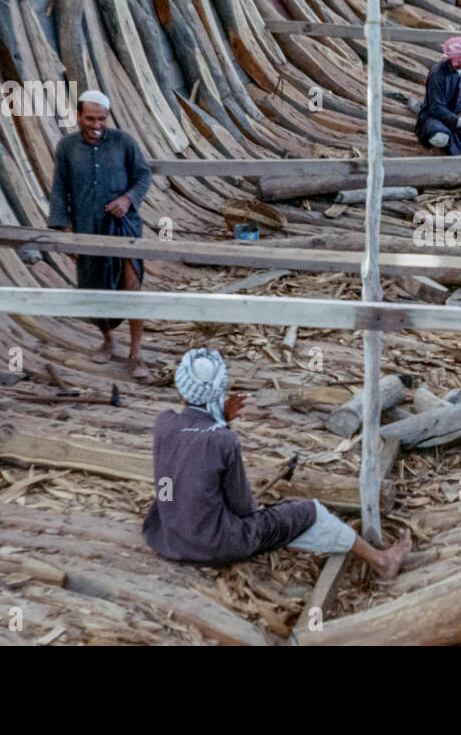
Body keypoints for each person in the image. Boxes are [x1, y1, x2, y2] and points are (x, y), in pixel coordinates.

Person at [142, 349, 412, 578]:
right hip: (216, 544)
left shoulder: (163, 424)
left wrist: (220, 421)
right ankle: (381, 561)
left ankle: (368, 555)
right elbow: (244, 507)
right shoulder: (224, 441)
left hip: (168, 536)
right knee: (309, 511)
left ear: (182, 388)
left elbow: (174, 477)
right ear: (218, 389)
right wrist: (222, 426)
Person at [47, 90, 153, 379]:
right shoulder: (66, 147)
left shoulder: (124, 142)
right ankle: (107, 340)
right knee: (93, 285)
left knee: (132, 285)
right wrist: (64, 230)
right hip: (86, 228)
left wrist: (127, 199)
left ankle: (137, 352)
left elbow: (143, 175)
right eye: (90, 119)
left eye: (102, 119)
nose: (96, 125)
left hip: (124, 228)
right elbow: (59, 189)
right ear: (79, 116)